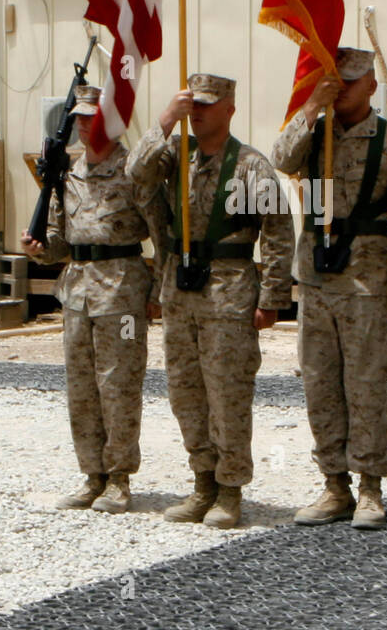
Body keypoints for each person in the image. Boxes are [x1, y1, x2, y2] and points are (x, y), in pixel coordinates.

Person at [126, 73, 295, 530]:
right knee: (185, 391)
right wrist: (164, 121)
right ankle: (202, 481)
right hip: (181, 288)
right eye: (191, 104)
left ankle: (230, 488)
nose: (197, 112)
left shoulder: (249, 166)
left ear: (229, 109)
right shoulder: (177, 158)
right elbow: (135, 172)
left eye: (206, 104)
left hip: (229, 288)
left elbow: (278, 231)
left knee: (227, 392)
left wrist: (273, 296)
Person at [271, 47, 387, 530]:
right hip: (316, 277)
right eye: (337, 80)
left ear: (372, 85)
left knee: (367, 383)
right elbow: (280, 158)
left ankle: (371, 485)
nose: (344, 89)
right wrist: (311, 108)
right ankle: (334, 484)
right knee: (320, 383)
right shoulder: (314, 136)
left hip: (367, 280)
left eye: (352, 80)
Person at [21, 85, 166, 514]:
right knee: (81, 388)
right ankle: (92, 475)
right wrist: (38, 250)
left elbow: (163, 236)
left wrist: (157, 294)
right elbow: (59, 242)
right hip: (77, 291)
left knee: (118, 384)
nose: (86, 125)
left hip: (122, 292)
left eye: (95, 117)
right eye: (81, 118)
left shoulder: (133, 171)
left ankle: (119, 478)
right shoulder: (68, 173)